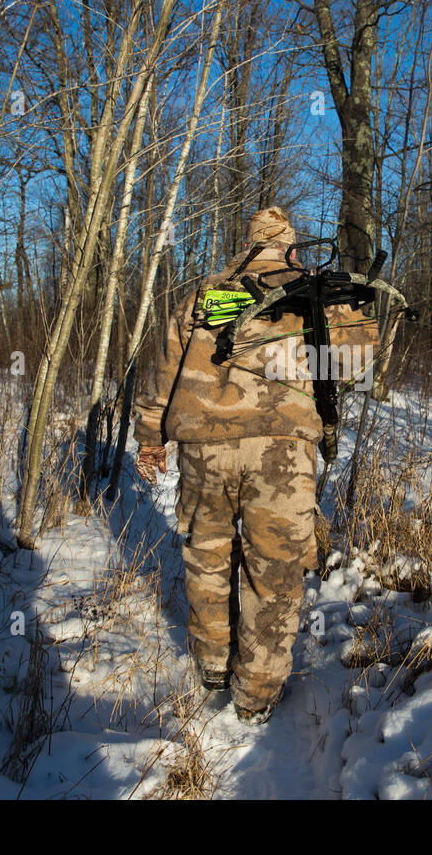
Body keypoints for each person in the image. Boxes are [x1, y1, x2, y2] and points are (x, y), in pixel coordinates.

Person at [132, 207, 378, 725]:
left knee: (208, 556)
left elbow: (164, 368)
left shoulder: (205, 294)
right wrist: (355, 313)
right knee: (277, 573)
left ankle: (213, 667)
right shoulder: (317, 292)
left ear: (248, 240)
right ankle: (256, 696)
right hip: (284, 452)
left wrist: (150, 437)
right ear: (289, 241)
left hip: (205, 447)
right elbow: (357, 365)